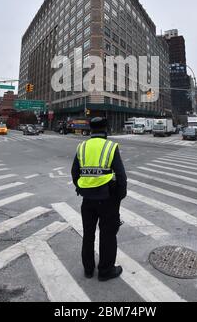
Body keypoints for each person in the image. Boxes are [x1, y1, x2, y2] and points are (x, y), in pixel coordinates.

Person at [71, 117, 127, 282]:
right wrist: (120, 195)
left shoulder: (82, 147)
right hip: (107, 199)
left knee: (88, 235)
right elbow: (121, 175)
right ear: (106, 130)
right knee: (108, 235)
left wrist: (82, 188)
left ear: (90, 129)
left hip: (87, 200)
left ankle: (88, 270)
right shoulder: (110, 147)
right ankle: (105, 271)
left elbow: (75, 173)